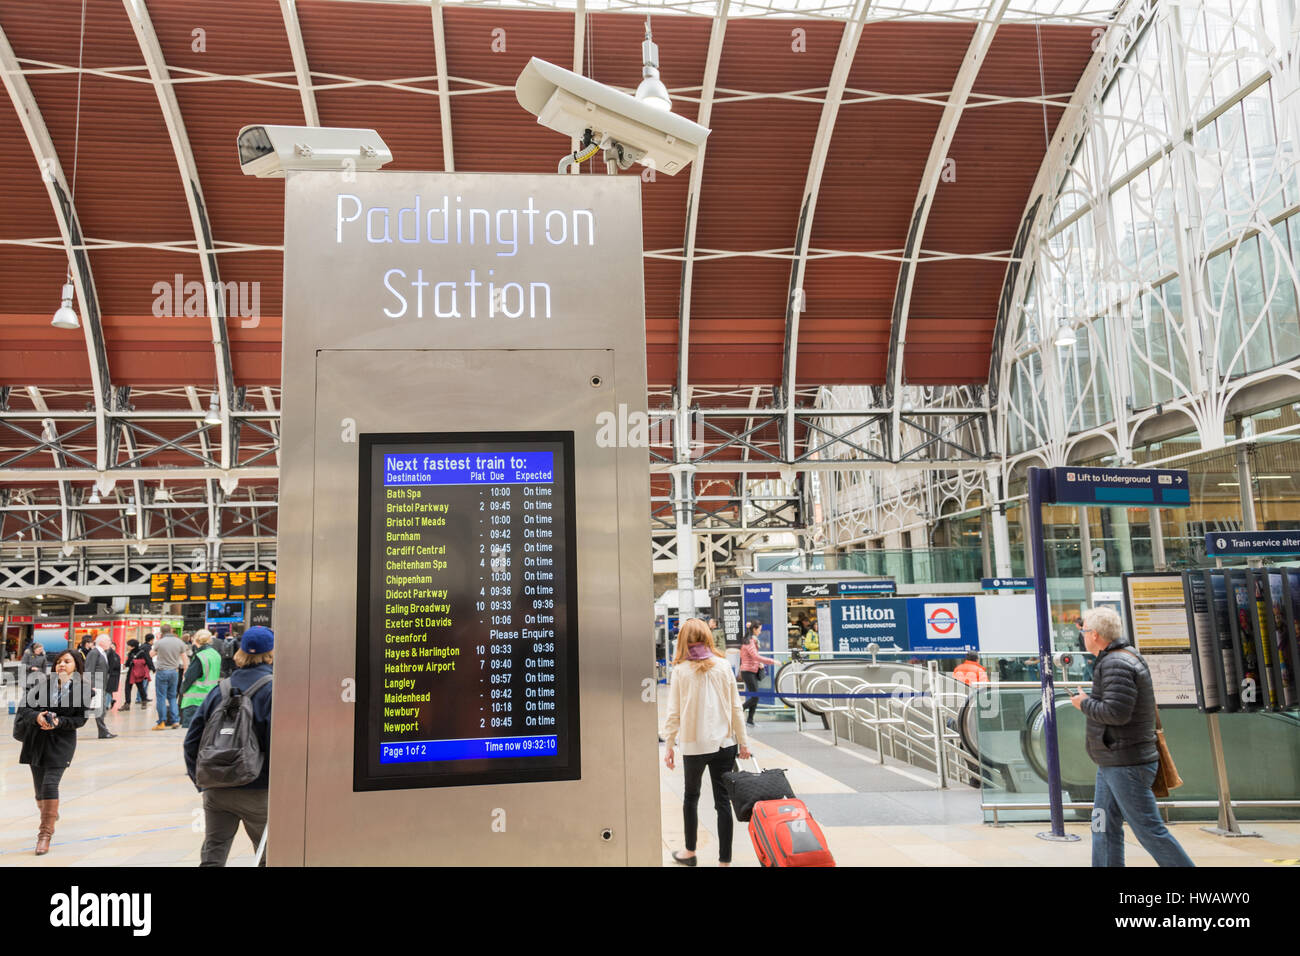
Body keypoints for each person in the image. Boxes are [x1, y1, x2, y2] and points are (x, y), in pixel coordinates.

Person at [1070, 606, 1194, 868]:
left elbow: (1116, 713)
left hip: (1126, 763)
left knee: (1149, 830)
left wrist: (1084, 704)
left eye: (1084, 631)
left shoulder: (1116, 663)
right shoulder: (1118, 658)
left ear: (1094, 634)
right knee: (1103, 826)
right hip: (1113, 761)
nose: (1082, 635)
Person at [662, 618, 750, 867]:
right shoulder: (723, 666)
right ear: (708, 638)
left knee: (691, 797)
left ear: (683, 641)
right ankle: (725, 862)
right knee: (723, 802)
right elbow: (736, 707)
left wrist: (669, 744)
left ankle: (689, 854)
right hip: (725, 744)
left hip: (694, 745)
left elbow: (673, 712)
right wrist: (743, 742)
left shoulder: (680, 670)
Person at [183, 625, 274, 867]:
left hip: (217, 789)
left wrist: (201, 780)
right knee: (268, 857)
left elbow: (191, 740)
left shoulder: (220, 689)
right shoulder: (273, 689)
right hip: (257, 789)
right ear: (271, 653)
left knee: (213, 855)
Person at [15, 649, 90, 855]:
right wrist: (38, 717)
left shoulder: (82, 690)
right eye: (58, 662)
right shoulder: (41, 685)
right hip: (36, 742)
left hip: (61, 743)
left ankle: (44, 834)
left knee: (50, 784)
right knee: (40, 792)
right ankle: (50, 811)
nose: (61, 665)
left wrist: (59, 722)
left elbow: (80, 720)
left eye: (67, 661)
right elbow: (25, 710)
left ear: (76, 666)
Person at [179, 630, 222, 728]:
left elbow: (189, 678)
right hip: (211, 698)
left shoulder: (200, 656)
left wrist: (182, 690)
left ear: (196, 640)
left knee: (191, 733)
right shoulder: (215, 654)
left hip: (195, 700)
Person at [739, 622, 776, 728]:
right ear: (754, 629)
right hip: (748, 671)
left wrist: (758, 664)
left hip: (751, 670)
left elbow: (750, 656)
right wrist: (772, 661)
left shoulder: (751, 640)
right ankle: (737, 712)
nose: (760, 631)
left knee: (755, 696)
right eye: (759, 629)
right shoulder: (750, 641)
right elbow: (755, 656)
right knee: (755, 697)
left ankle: (750, 720)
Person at [151, 624, 188, 730]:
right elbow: (184, 657)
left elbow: (151, 654)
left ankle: (161, 722)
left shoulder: (159, 642)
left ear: (162, 632)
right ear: (171, 630)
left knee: (161, 697)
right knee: (172, 697)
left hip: (162, 672)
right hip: (174, 672)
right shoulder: (179, 642)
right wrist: (185, 670)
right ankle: (175, 721)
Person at [83, 633, 120, 739]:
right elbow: (89, 670)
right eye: (108, 640)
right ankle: (103, 732)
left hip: (102, 685)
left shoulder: (103, 653)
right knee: (98, 709)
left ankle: (103, 732)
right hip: (96, 686)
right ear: (101, 642)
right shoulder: (94, 653)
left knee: (101, 709)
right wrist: (92, 686)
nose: (110, 643)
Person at [122, 638, 154, 708]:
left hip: (137, 673)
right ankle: (129, 703)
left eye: (128, 645)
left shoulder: (141, 652)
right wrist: (126, 664)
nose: (127, 647)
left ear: (133, 646)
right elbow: (129, 662)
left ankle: (141, 701)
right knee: (130, 688)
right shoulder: (131, 653)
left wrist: (152, 668)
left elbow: (147, 660)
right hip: (132, 673)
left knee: (138, 687)